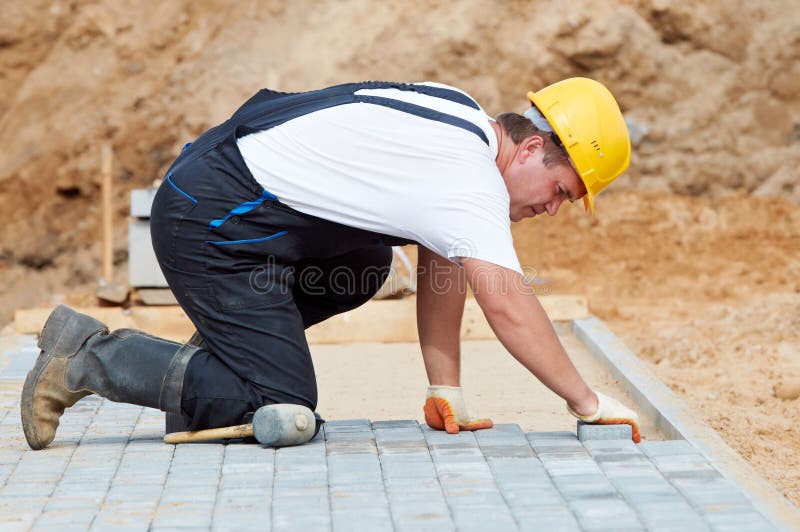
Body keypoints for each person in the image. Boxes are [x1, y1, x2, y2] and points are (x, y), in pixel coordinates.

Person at [21, 78, 641, 450]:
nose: (553, 209)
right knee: (282, 404)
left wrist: (444, 389)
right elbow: (508, 303)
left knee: (369, 260)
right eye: (561, 190)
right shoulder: (470, 178)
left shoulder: (462, 120)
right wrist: (588, 404)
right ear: (531, 148)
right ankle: (87, 357)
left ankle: (210, 366)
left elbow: (440, 259)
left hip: (224, 199)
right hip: (210, 220)